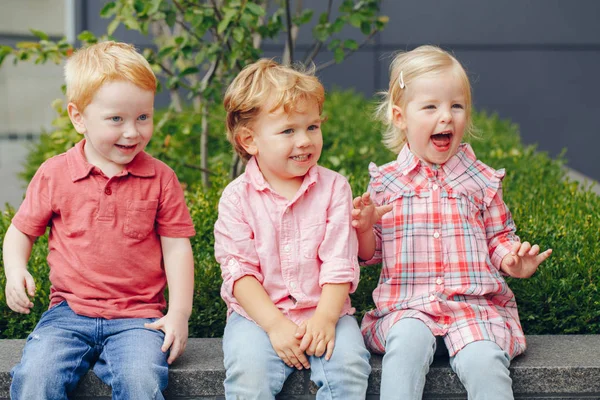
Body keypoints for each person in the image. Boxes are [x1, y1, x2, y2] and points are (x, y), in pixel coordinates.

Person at [351, 45, 552, 400]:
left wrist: (511, 260)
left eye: (456, 106)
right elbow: (372, 253)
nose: (446, 116)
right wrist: (365, 229)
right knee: (406, 349)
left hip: (473, 308)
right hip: (409, 307)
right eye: (430, 106)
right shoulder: (386, 182)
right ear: (400, 117)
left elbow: (498, 237)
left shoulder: (481, 180)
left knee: (485, 361)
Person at [2, 41, 195, 399]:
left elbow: (177, 248)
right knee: (35, 378)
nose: (132, 132)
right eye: (116, 119)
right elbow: (20, 231)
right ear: (79, 118)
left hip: (139, 318)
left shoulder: (160, 178)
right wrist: (15, 270)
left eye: (143, 117)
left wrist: (179, 312)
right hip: (68, 315)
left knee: (142, 381)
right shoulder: (56, 174)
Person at [214, 58, 371, 399]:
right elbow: (239, 273)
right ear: (249, 140)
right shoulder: (236, 199)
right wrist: (274, 325)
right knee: (248, 370)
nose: (305, 140)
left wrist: (327, 318)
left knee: (348, 366)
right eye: (288, 130)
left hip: (325, 309)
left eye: (312, 127)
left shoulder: (334, 188)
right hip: (257, 317)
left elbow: (339, 262)